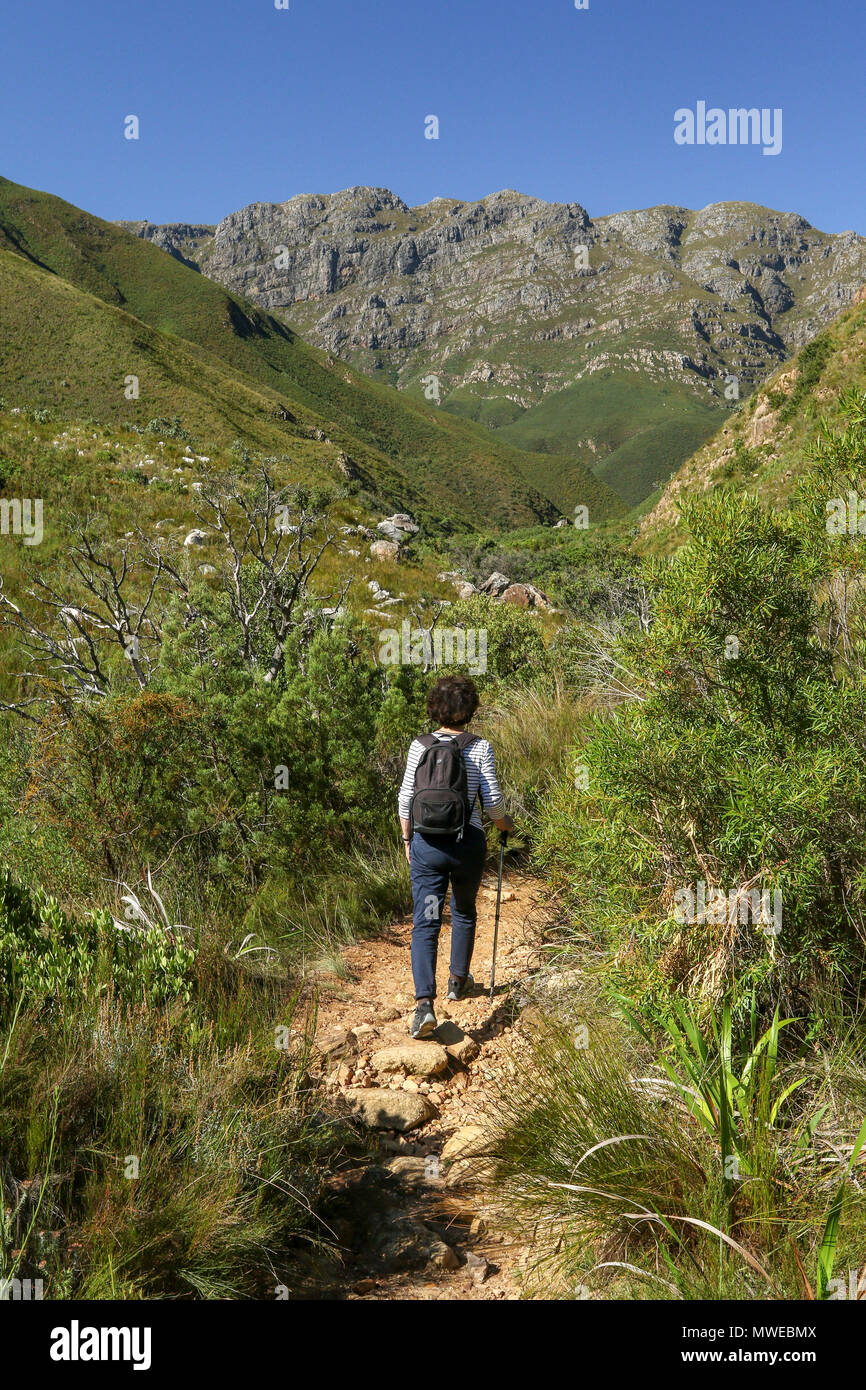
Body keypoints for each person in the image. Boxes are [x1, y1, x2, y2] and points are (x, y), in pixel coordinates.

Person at [398, 674, 514, 1039]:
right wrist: (506, 825)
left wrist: (407, 840)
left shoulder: (420, 746)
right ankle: (457, 981)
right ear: (470, 710)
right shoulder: (480, 747)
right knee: (463, 910)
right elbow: (492, 803)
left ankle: (424, 1006)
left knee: (427, 920)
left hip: (427, 846)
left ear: (435, 708)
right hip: (467, 846)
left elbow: (405, 800)